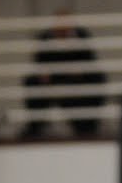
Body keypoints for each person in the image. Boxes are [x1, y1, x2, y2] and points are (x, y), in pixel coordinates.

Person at [21, 10, 106, 138]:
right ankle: (35, 126)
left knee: (98, 78)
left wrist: (81, 69)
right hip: (53, 78)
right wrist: (44, 72)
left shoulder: (82, 35)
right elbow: (39, 61)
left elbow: (90, 59)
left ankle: (88, 125)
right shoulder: (45, 37)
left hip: (75, 78)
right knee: (31, 81)